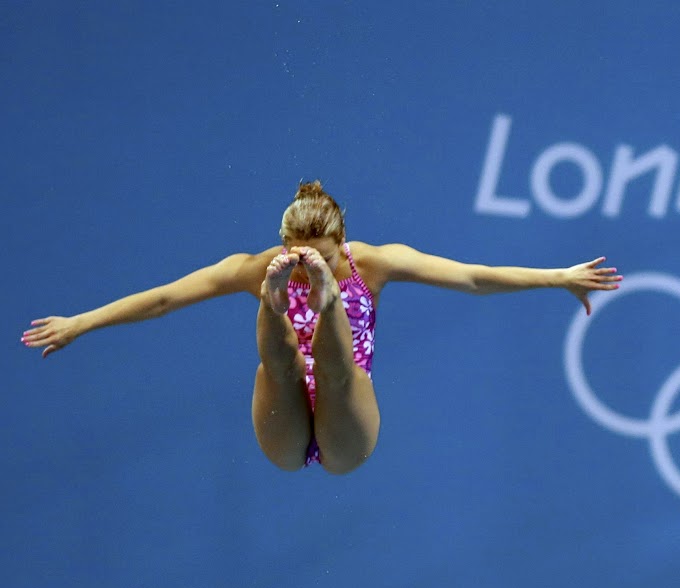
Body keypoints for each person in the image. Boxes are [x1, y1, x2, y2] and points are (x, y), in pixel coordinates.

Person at [21, 181, 622, 472]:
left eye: (324, 259)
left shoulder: (375, 262)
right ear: (284, 244)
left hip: (347, 420)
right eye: (300, 256)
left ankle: (332, 305)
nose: (311, 263)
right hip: (283, 422)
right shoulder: (257, 265)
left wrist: (558, 277)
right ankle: (272, 305)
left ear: (342, 242)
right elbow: (162, 300)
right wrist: (79, 323)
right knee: (276, 361)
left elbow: (471, 277)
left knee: (338, 371)